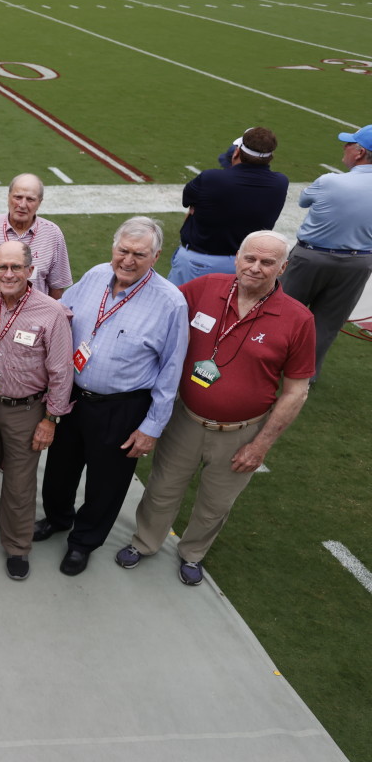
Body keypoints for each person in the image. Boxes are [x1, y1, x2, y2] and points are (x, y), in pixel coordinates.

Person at [117, 231, 313, 585]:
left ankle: (192, 554)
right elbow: (158, 310)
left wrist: (261, 445)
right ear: (237, 258)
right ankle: (144, 543)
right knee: (161, 489)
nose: (255, 268)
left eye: (267, 262)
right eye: (249, 258)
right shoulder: (204, 287)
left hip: (241, 433)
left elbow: (296, 392)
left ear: (282, 267)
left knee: (215, 504)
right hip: (185, 419)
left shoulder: (298, 319)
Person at [35, 217, 189, 576]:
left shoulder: (171, 303)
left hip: (122, 407)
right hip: (72, 398)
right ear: (113, 247)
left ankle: (84, 542)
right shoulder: (94, 275)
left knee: (107, 482)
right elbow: (60, 312)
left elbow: (171, 370)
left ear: (156, 256)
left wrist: (152, 426)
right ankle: (58, 519)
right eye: (123, 250)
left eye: (140, 254)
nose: (128, 260)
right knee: (60, 468)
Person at [0, 241, 74, 580]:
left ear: (30, 270)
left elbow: (62, 372)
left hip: (26, 409)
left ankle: (17, 545)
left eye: (16, 267)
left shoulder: (50, 311)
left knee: (19, 485)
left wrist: (51, 420)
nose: (9, 274)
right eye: (2, 267)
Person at [279, 124, 372, 380]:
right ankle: (304, 375)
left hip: (310, 257)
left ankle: (267, 362)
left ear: (360, 152)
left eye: (349, 144)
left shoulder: (330, 180)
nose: (344, 147)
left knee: (282, 312)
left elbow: (303, 201)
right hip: (359, 263)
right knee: (327, 323)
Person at [170, 127, 288, 286]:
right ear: (270, 157)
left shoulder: (210, 178)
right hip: (244, 267)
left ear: (237, 152)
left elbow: (188, 203)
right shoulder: (280, 183)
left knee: (178, 308)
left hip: (199, 263)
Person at [0, 173, 73, 301]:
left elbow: (57, 287)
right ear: (8, 197)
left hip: (29, 319)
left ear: (39, 202)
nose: (22, 204)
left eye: (30, 199)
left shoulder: (53, 234)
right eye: (18, 197)